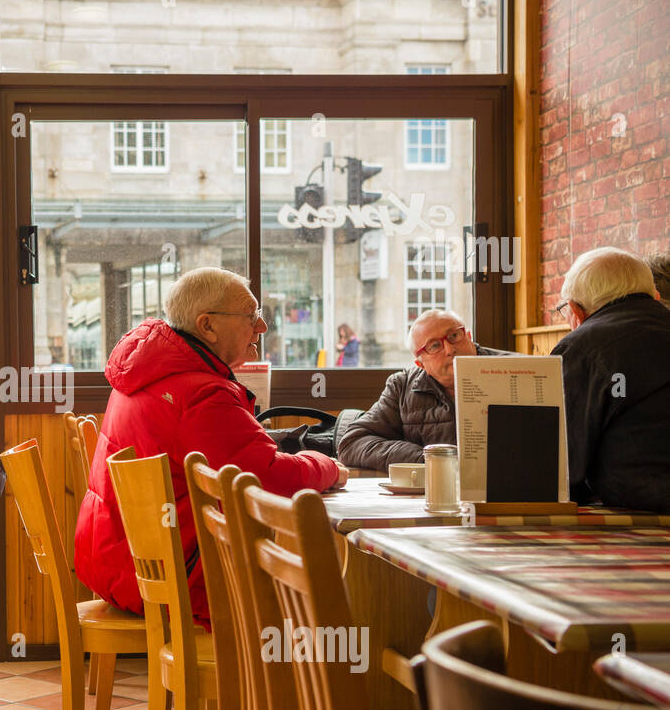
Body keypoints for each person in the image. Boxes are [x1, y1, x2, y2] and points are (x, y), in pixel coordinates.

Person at [75, 267, 347, 625]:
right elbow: (270, 480)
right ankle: (310, 678)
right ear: (207, 326)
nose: (262, 327)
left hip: (119, 562)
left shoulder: (149, 374)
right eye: (251, 316)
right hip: (171, 579)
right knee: (319, 601)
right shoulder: (201, 394)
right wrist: (329, 466)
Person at [551, 247, 670, 511]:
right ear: (655, 297)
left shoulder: (581, 347)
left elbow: (564, 467)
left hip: (644, 512)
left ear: (575, 311)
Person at [338, 310, 508, 471]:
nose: (450, 350)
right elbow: (352, 443)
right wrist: (427, 459)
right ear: (421, 364)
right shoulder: (402, 386)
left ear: (469, 336)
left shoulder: (517, 369)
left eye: (454, 336)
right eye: (434, 346)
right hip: (429, 495)